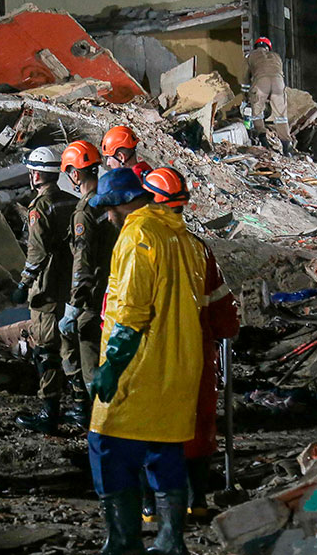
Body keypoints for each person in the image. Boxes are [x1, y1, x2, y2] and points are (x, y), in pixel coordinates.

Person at [87, 168, 206, 555]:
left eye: (108, 209)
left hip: (140, 369)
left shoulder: (138, 233)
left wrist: (112, 365)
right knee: (164, 450)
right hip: (181, 366)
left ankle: (123, 541)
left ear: (120, 203)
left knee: (106, 446)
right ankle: (171, 540)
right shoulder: (184, 238)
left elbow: (131, 309)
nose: (108, 217)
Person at [141, 168, 240, 520]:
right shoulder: (199, 249)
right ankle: (196, 500)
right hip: (195, 355)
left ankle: (152, 504)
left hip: (151, 355)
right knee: (198, 426)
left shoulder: (139, 245)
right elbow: (223, 308)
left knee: (148, 426)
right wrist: (225, 330)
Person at [12, 146, 78, 435]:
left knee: (46, 351)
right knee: (72, 347)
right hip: (72, 286)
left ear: (36, 175)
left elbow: (36, 252)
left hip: (48, 289)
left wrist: (23, 283)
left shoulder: (40, 207)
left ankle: (49, 412)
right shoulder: (73, 202)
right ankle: (81, 407)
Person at [59, 140, 116, 430]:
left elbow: (82, 261)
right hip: (111, 288)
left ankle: (101, 419)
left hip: (92, 296)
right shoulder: (108, 201)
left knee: (88, 352)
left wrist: (74, 305)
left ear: (75, 174)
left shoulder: (84, 210)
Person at [241, 37, 295, 155]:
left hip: (261, 82)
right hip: (278, 83)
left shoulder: (250, 56)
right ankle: (286, 147)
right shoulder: (276, 56)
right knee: (281, 116)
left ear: (256, 46)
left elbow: (245, 77)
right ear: (268, 47)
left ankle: (263, 141)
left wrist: (246, 95)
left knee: (257, 113)